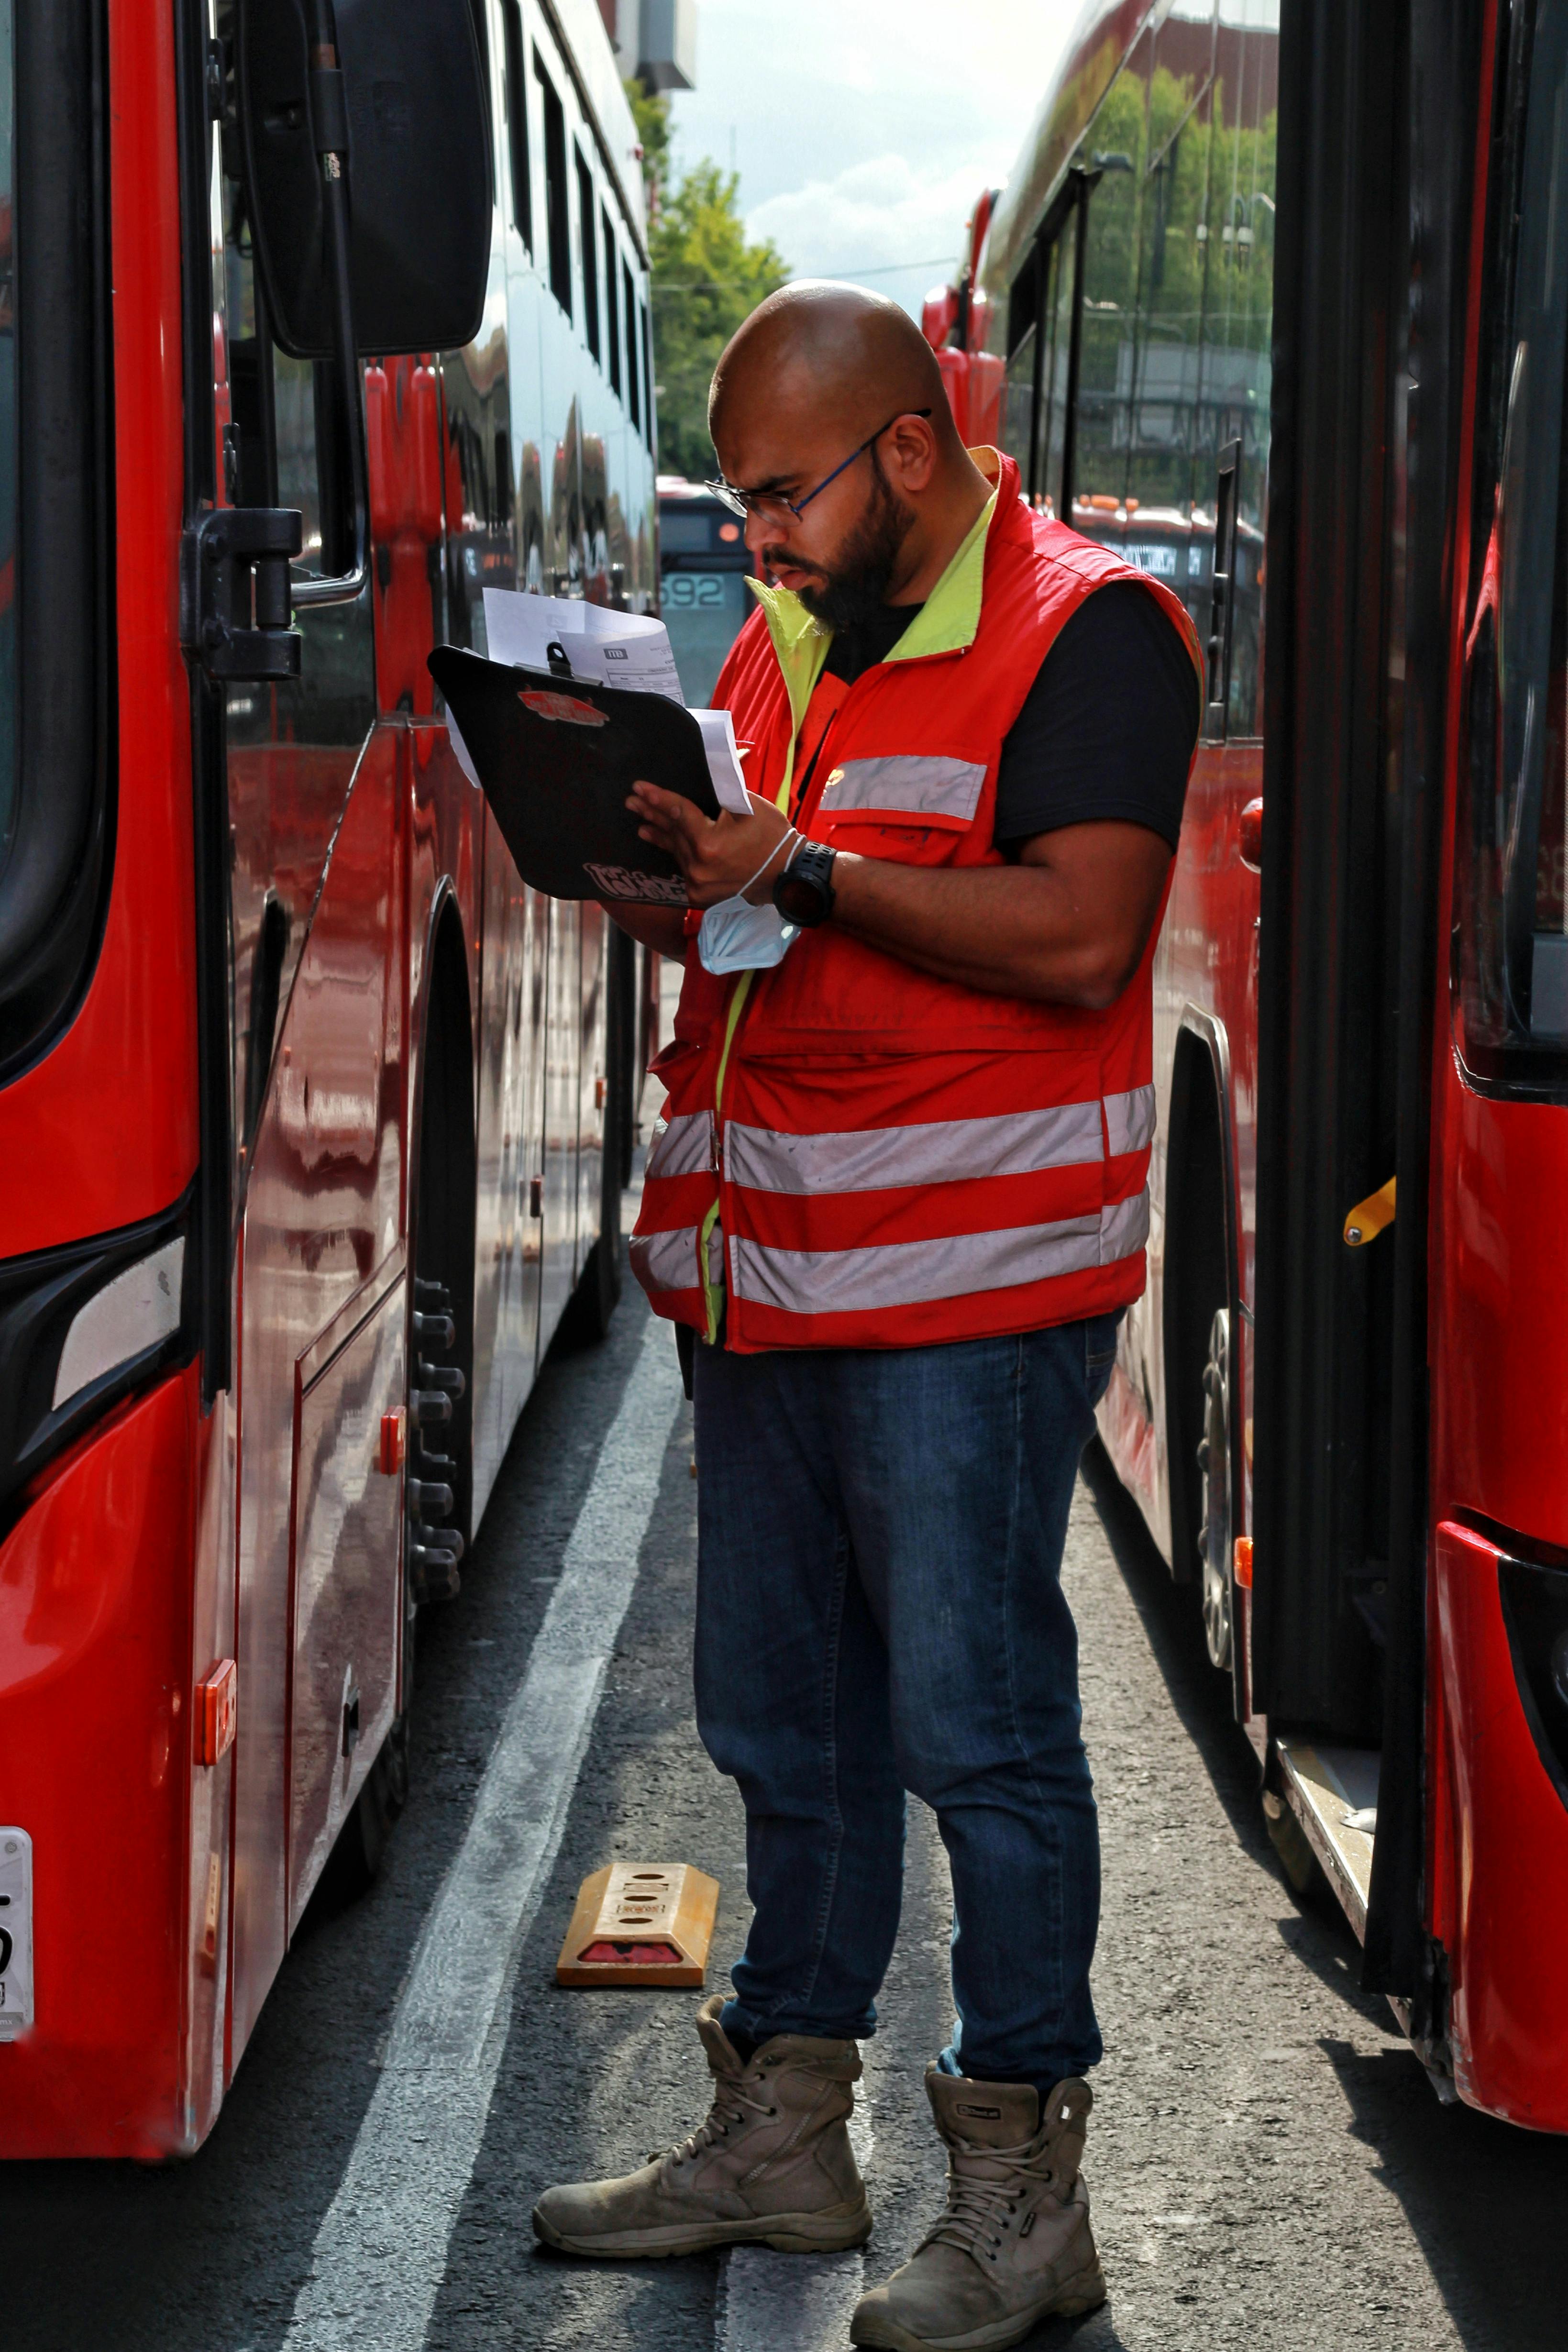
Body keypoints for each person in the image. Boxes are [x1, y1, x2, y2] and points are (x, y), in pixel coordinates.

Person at [533, 282, 1202, 2351]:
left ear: (906, 450)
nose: (756, 543)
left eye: (779, 497)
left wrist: (794, 869)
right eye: (737, 507)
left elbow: (1083, 935)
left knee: (979, 1745)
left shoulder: (1088, 630)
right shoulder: (798, 636)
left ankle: (1017, 2195)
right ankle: (787, 2132)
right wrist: (660, 873)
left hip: (961, 1312)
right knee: (781, 1733)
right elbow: (773, 916)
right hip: (769, 1285)